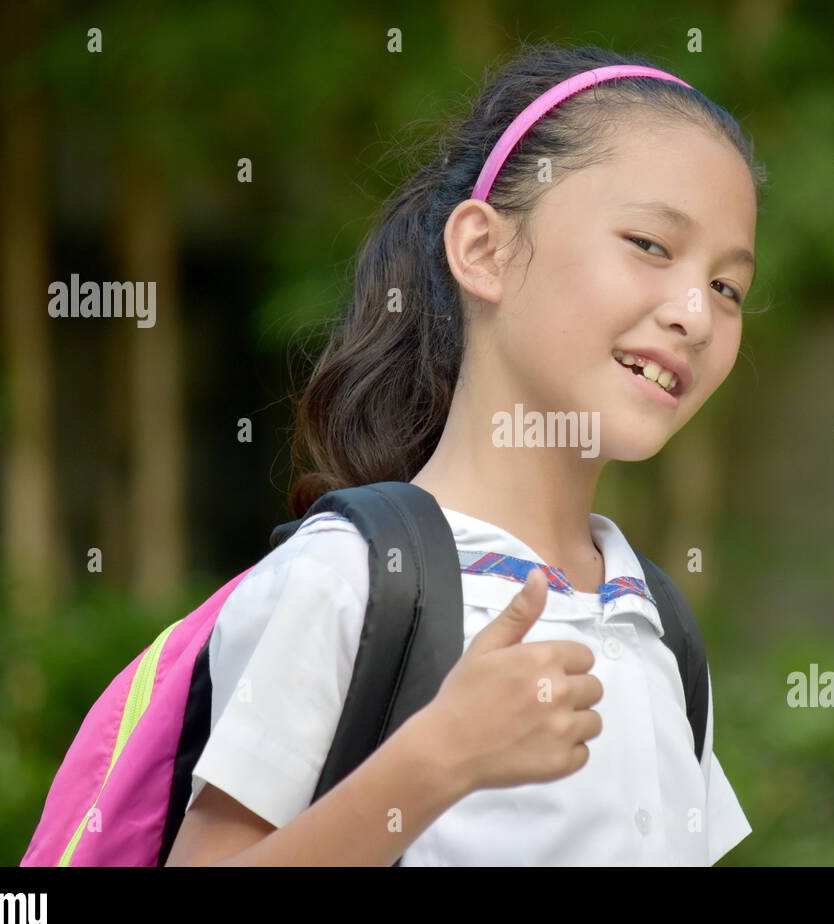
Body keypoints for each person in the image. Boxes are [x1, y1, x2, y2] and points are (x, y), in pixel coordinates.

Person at [165, 40, 763, 867]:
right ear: (482, 250)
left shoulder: (655, 625)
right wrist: (436, 762)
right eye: (652, 246)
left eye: (729, 287)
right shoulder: (346, 580)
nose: (697, 314)